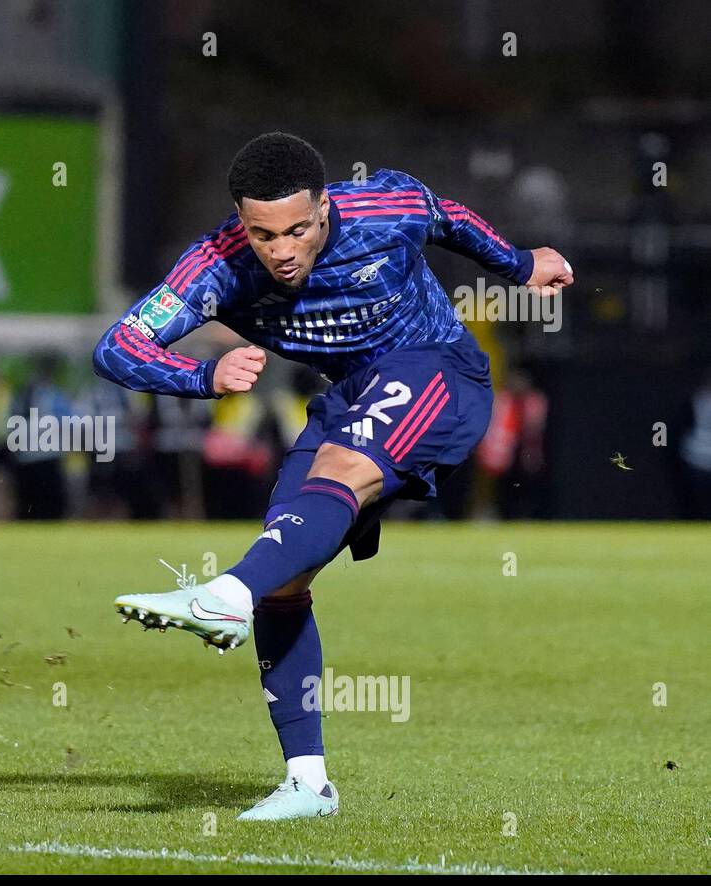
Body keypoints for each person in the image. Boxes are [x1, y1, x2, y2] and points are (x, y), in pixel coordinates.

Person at [93, 133, 572, 820]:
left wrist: (521, 265)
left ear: (323, 207)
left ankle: (222, 595)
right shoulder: (217, 266)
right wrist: (201, 376)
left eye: (297, 229)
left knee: (336, 480)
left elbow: (447, 216)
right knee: (283, 575)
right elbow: (118, 347)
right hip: (350, 397)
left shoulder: (385, 207)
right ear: (240, 221)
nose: (282, 250)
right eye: (263, 234)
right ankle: (308, 784)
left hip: (436, 369)